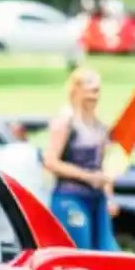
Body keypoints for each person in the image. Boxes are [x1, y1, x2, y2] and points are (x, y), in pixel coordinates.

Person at [42, 67, 119, 251]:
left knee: (107, 251)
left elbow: (102, 165)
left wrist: (109, 196)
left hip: (97, 197)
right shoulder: (65, 123)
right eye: (90, 91)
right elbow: (50, 161)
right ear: (76, 90)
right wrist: (87, 176)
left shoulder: (100, 126)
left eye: (97, 91)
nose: (94, 96)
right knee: (80, 249)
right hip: (70, 196)